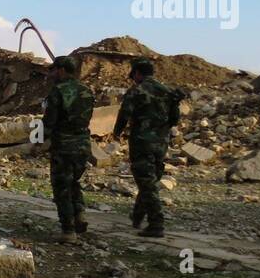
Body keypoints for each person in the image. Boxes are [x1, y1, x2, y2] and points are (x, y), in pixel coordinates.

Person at [111, 57, 184, 238]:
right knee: (150, 180)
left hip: (142, 142)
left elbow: (124, 114)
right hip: (161, 143)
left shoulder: (137, 91)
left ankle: (156, 224)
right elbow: (175, 119)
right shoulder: (168, 92)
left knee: (145, 181)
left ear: (137, 73)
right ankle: (137, 216)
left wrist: (117, 133)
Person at [42, 55, 94, 243]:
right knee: (74, 181)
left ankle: (68, 230)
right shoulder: (87, 90)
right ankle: (80, 214)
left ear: (62, 70)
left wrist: (38, 142)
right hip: (83, 145)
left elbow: (48, 122)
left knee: (62, 187)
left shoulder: (57, 92)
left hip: (63, 146)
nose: (52, 74)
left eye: (54, 70)